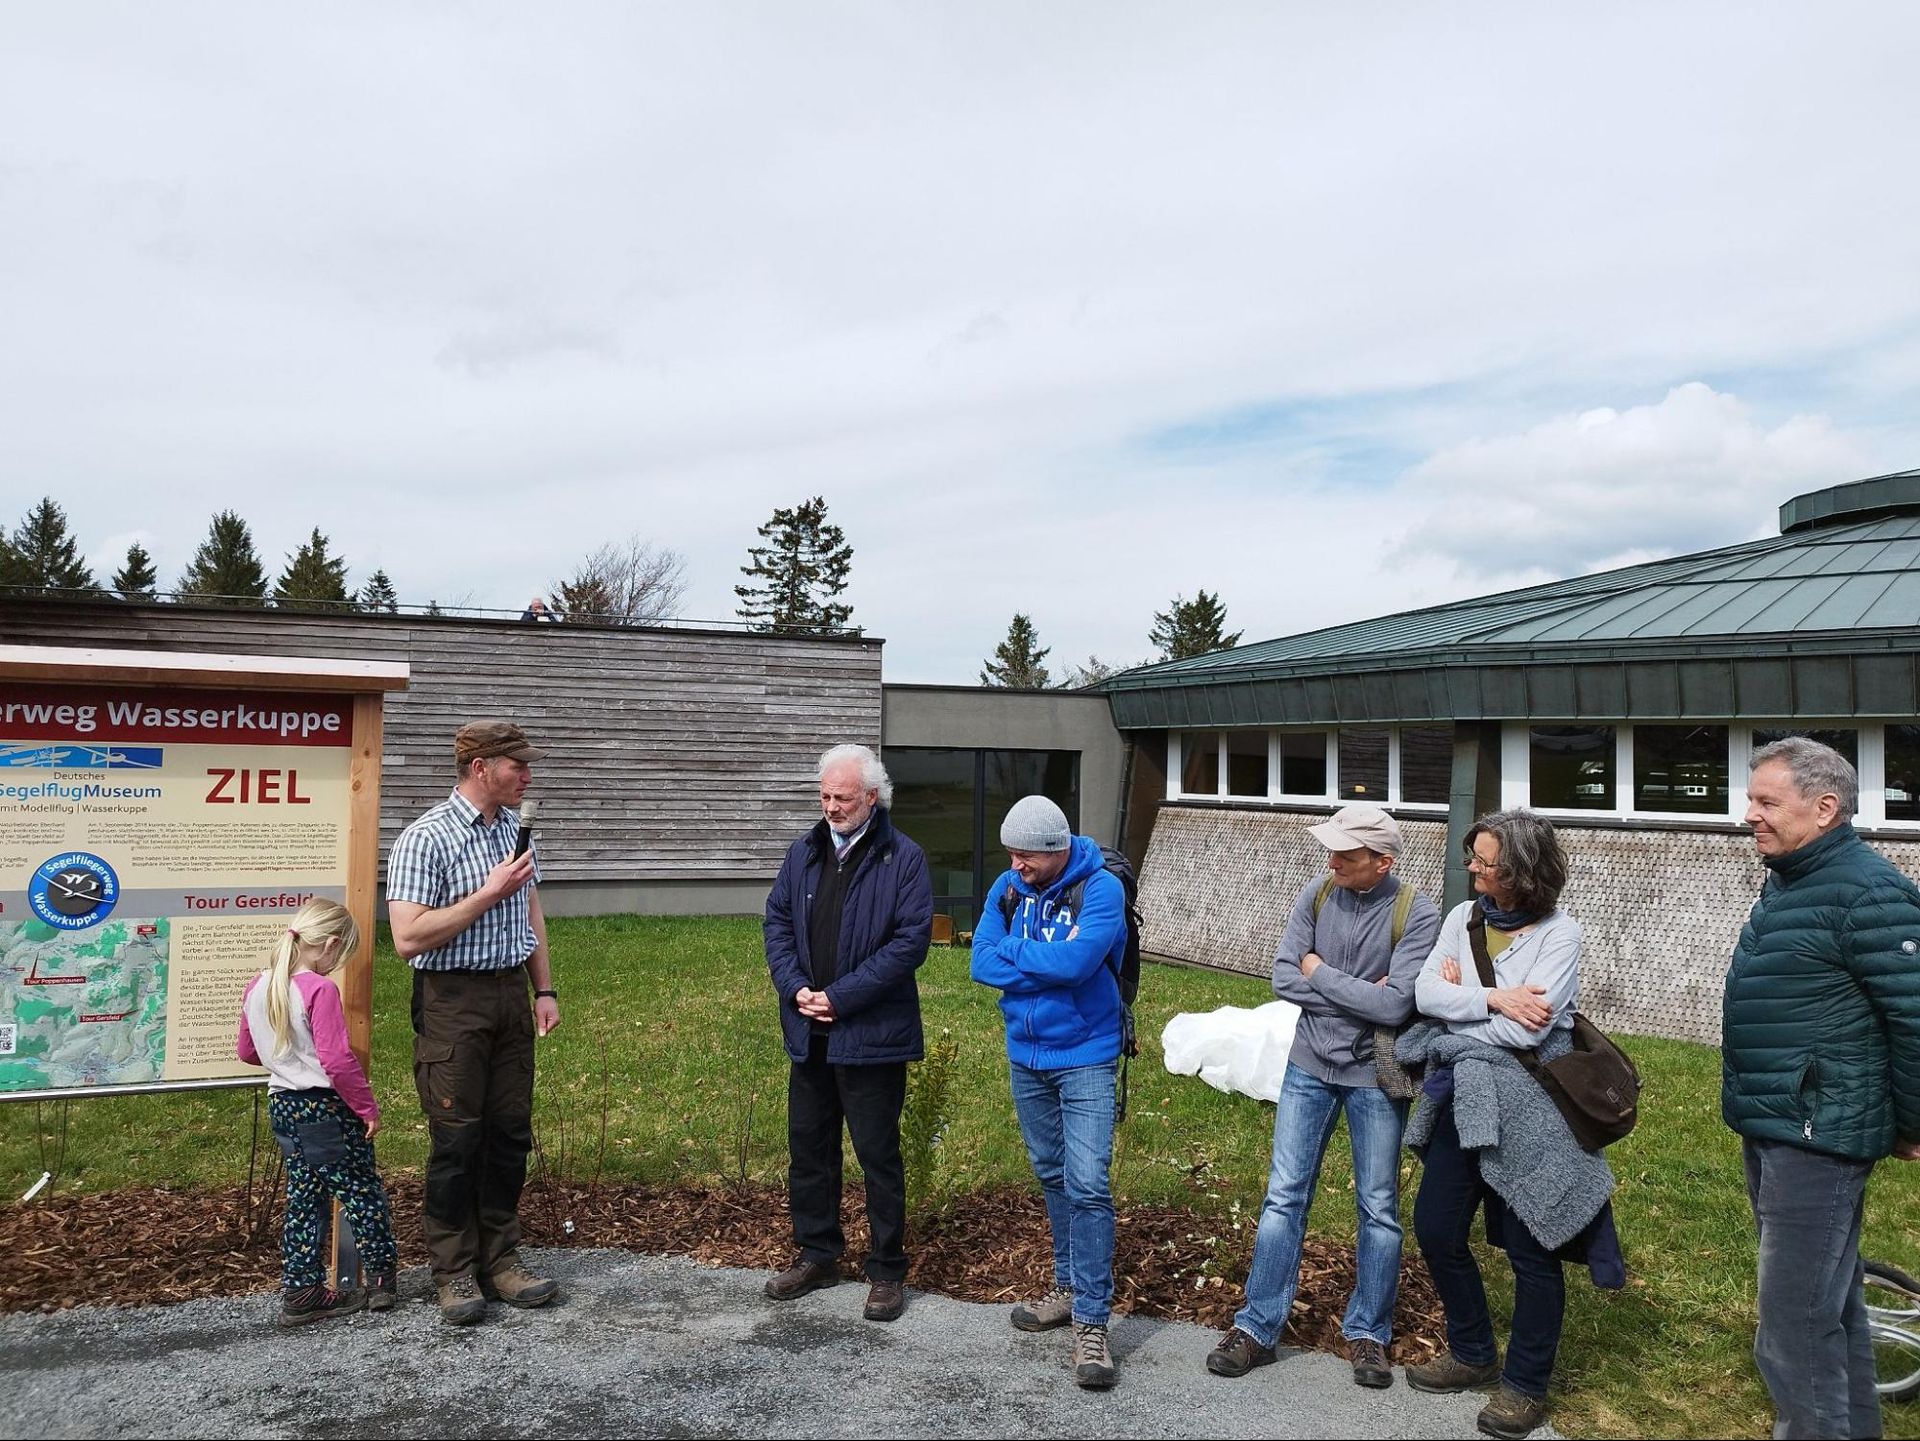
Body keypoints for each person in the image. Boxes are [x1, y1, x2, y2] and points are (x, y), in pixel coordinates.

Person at [1723, 736, 1920, 1440]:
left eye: (1766, 801)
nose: (1749, 814)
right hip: (1782, 1122)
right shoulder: (1795, 879)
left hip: (1818, 1133)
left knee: (1794, 1329)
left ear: (1825, 807)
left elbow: (1915, 1013)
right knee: (1830, 1312)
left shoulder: (1866, 890)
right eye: (1752, 799)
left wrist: (1912, 1124)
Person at [1206, 805, 1439, 1388]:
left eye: (1347, 854)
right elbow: (1283, 978)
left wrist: (1321, 973)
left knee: (1379, 1209)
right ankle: (1257, 1327)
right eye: (1330, 850)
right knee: (1284, 1196)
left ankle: (1368, 1335)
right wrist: (1356, 989)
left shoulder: (1417, 913)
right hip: (1308, 1066)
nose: (1331, 860)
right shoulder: (1316, 893)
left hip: (1373, 1078)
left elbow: (1395, 1006)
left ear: (1382, 861)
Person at [1401, 809, 1596, 1441]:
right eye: (1474, 859)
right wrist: (1487, 998)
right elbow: (1425, 994)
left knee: (1529, 1245)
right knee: (1435, 1226)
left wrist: (1460, 1015)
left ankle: (1525, 1384)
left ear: (1523, 871)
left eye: (1486, 862)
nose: (1475, 870)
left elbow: (1529, 1028)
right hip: (1466, 1095)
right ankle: (1473, 1349)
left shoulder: (1561, 935)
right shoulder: (1464, 918)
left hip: (1531, 1108)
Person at [386, 720, 560, 1326]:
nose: (528, 776)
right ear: (482, 767)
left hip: (510, 994)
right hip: (451, 1000)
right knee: (458, 1139)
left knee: (509, 1133)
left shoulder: (513, 829)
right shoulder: (424, 838)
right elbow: (406, 937)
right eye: (519, 766)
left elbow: (530, 905)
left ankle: (502, 1259)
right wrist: (486, 894)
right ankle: (454, 1269)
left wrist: (543, 987)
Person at [762, 744, 932, 1324]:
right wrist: (796, 988)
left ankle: (886, 1270)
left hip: (872, 1036)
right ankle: (818, 1253)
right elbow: (777, 923)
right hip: (809, 1032)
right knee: (809, 1149)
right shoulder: (804, 852)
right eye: (825, 796)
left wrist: (844, 996)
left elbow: (911, 943)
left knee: (877, 1155)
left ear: (871, 798)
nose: (830, 807)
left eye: (842, 798)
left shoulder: (903, 858)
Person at [970, 795, 1127, 1390]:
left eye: (1025, 853)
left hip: (1086, 1056)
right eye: (1010, 852)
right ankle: (1065, 1289)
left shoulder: (1102, 890)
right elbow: (979, 964)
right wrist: (1034, 958)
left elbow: (1078, 966)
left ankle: (1091, 1322)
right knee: (1052, 1172)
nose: (1015, 864)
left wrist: (1013, 951)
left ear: (1057, 848)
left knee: (1088, 1182)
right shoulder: (1007, 888)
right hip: (1026, 1056)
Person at [236, 898, 399, 1328]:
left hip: (283, 1105)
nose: (337, 963)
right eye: (341, 954)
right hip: (323, 1108)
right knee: (361, 1190)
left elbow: (248, 1051)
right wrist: (367, 1108)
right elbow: (337, 1060)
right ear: (329, 944)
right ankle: (381, 1279)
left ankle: (301, 1288)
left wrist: (285, 1061)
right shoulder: (319, 989)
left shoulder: (259, 985)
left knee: (305, 1196)